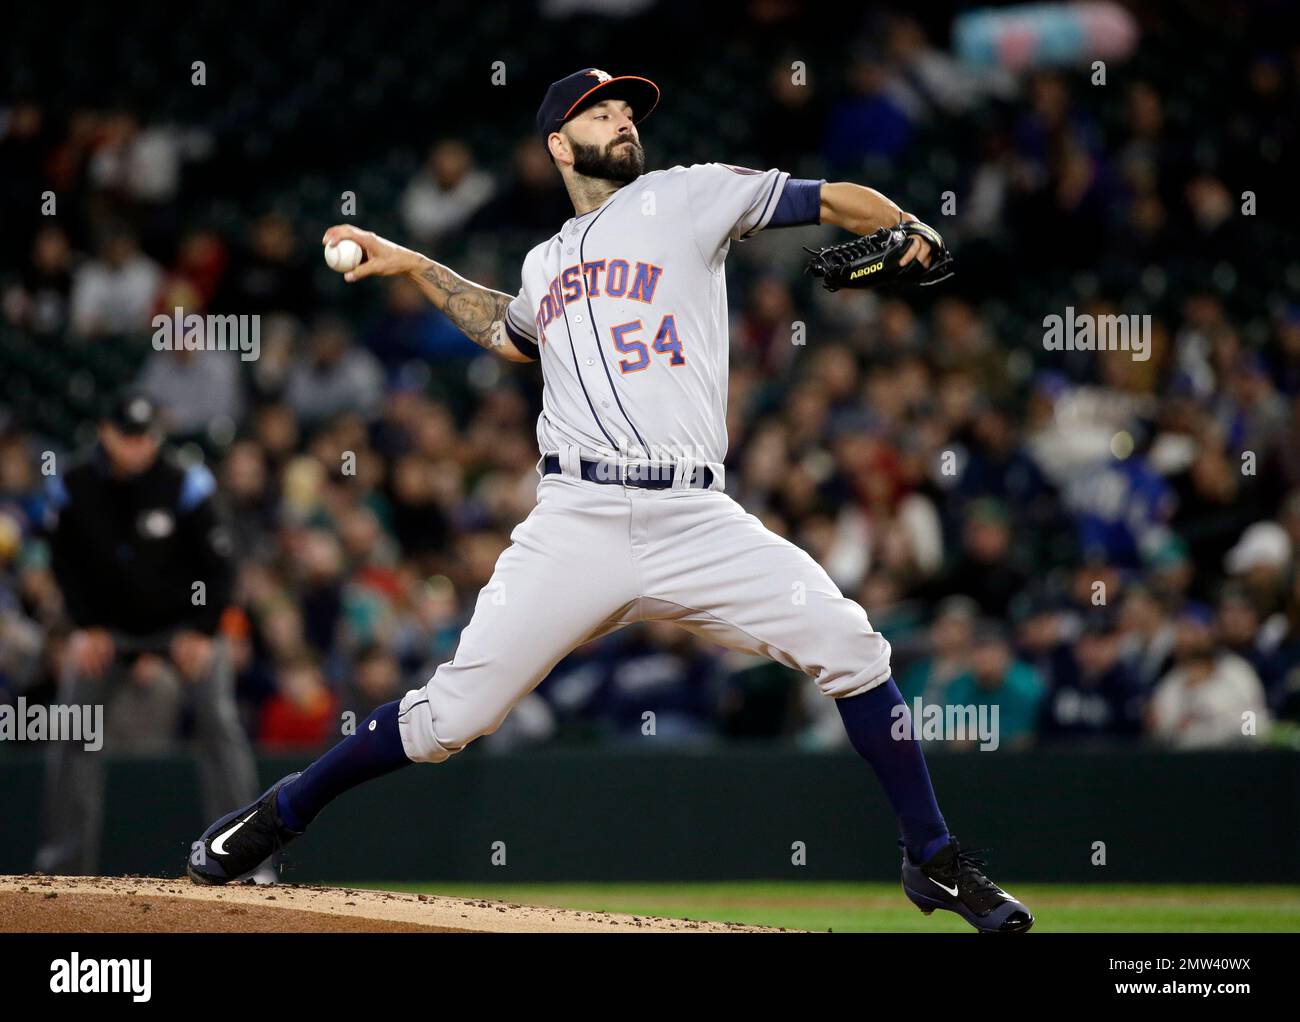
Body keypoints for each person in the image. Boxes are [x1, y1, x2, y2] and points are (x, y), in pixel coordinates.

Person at [187, 68, 1033, 933]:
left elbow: (831, 197)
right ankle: (283, 812)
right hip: (576, 521)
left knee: (853, 646)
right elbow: (506, 331)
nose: (625, 120)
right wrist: (409, 263)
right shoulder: (544, 260)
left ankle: (932, 859)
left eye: (629, 110)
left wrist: (902, 225)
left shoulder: (687, 196)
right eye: (603, 111)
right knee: (453, 716)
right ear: (560, 142)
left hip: (696, 517)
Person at [37, 391, 264, 878]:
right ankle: (64, 868)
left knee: (220, 724)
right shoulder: (74, 485)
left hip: (184, 628)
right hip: (108, 631)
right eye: (128, 436)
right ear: (106, 433)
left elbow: (220, 564)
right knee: (73, 730)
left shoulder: (185, 481)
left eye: (145, 436)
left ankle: (248, 861)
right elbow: (65, 565)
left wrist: (203, 631)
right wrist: (85, 626)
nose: (138, 446)